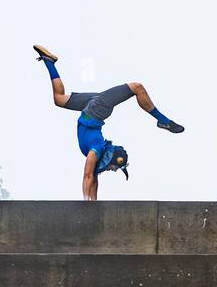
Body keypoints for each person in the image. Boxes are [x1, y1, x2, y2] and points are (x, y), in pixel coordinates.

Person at [33, 44, 184, 200]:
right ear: (110, 158)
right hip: (97, 108)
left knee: (59, 99)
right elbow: (87, 176)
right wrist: (86, 203)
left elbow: (93, 178)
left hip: (91, 107)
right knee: (137, 87)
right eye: (115, 167)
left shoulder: (97, 154)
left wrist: (93, 204)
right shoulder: (96, 149)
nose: (113, 170)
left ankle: (49, 61)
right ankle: (163, 121)